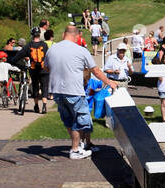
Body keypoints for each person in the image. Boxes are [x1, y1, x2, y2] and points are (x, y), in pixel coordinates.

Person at [47, 23, 119, 160]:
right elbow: (96, 71)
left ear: (63, 35)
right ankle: (75, 150)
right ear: (76, 37)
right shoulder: (81, 50)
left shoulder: (52, 49)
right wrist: (109, 82)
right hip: (73, 90)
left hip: (56, 91)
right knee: (82, 119)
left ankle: (78, 146)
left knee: (68, 119)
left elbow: (46, 68)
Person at [25, 27, 49, 113]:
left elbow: (22, 55)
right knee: (44, 86)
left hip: (34, 69)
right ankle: (44, 105)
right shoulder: (44, 45)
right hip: (44, 69)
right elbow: (48, 56)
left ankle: (36, 105)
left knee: (35, 86)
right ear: (39, 34)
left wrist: (12, 60)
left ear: (32, 35)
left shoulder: (29, 45)